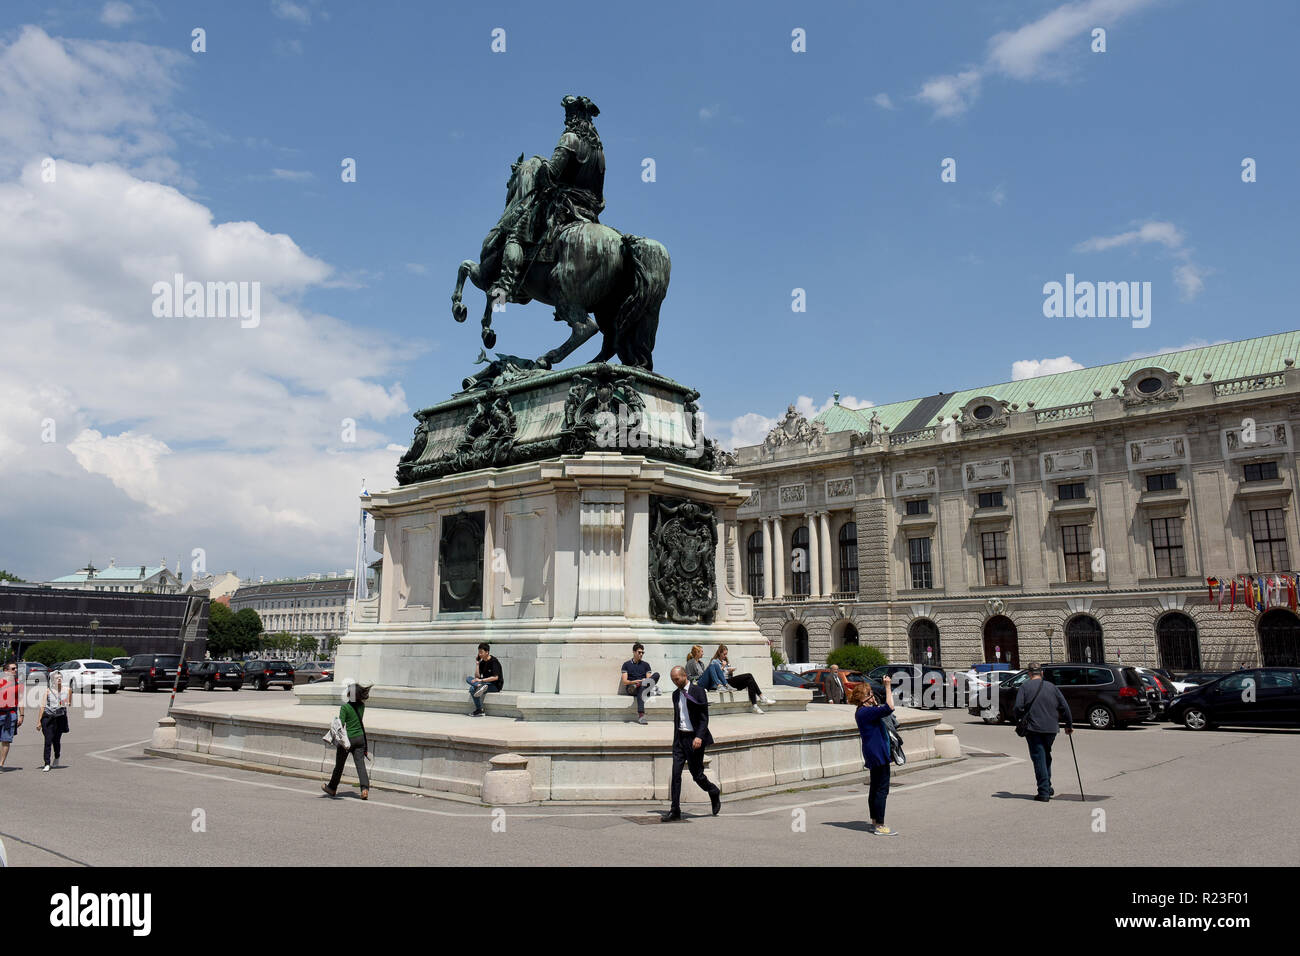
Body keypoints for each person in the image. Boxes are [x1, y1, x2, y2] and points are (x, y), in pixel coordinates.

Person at [665, 665, 721, 821]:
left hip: (694, 739)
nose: (675, 682)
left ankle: (713, 790)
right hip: (680, 739)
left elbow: (704, 717)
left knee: (697, 775)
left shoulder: (698, 691)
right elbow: (679, 717)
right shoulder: (675, 695)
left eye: (677, 679)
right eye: (672, 680)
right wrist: (676, 739)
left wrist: (699, 736)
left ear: (684, 676)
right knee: (676, 774)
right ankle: (675, 810)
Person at [1013, 662, 1073, 802]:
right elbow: (1065, 706)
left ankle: (1044, 792)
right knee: (1045, 756)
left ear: (1028, 674)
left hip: (1033, 728)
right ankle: (1048, 786)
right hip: (1051, 728)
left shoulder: (1025, 687)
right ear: (1042, 673)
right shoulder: (1052, 687)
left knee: (1039, 758)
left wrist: (1020, 719)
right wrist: (1068, 724)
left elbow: (1017, 707)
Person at [851, 677, 898, 836]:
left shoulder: (862, 712)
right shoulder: (867, 712)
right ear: (864, 698)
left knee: (875, 788)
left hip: (873, 752)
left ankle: (874, 821)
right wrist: (888, 686)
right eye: (870, 693)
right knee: (881, 790)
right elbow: (890, 707)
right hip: (878, 753)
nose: (873, 696)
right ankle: (880, 825)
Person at [322, 682, 371, 800]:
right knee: (360, 765)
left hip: (348, 740)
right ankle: (364, 789)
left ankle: (332, 788)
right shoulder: (361, 707)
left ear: (350, 694)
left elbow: (341, 724)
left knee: (339, 765)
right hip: (360, 739)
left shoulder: (345, 708)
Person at [712, 645, 775, 713]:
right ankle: (762, 697)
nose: (725, 656)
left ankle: (755, 705)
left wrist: (730, 671)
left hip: (730, 683)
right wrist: (723, 666)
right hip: (724, 683)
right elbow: (715, 676)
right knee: (749, 675)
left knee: (750, 681)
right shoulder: (715, 662)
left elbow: (728, 674)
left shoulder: (725, 661)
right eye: (724, 654)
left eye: (726, 654)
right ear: (719, 653)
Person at [37, 672, 71, 772]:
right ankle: (47, 763)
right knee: (48, 740)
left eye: (60, 677)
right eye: (57, 678)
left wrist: (64, 702)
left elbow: (69, 703)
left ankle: (57, 756)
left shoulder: (68, 690)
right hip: (48, 718)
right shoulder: (47, 691)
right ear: (52, 680)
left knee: (56, 740)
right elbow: (42, 706)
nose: (59, 679)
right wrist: (39, 722)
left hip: (60, 718)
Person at [620, 642, 660, 725]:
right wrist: (634, 682)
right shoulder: (626, 664)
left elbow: (649, 680)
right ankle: (641, 716)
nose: (641, 654)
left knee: (656, 675)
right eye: (639, 652)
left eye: (642, 652)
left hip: (643, 686)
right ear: (634, 652)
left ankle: (641, 686)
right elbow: (624, 681)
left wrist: (642, 682)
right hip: (631, 688)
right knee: (641, 688)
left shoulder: (646, 665)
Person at [466, 642, 503, 716]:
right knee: (468, 678)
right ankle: (480, 687)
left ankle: (479, 710)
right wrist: (477, 664)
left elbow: (496, 677)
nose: (479, 654)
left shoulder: (494, 661)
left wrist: (481, 680)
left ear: (487, 652)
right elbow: (477, 677)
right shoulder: (482, 662)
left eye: (481, 652)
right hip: (484, 684)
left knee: (472, 689)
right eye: (479, 652)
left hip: (494, 686)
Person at [0, 661, 23, 770]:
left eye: (16, 668)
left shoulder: (18, 683)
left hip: (11, 714)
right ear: (5, 671)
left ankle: (1, 764)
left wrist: (21, 715)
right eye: (13, 669)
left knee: (6, 740)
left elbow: (21, 700)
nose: (16, 670)